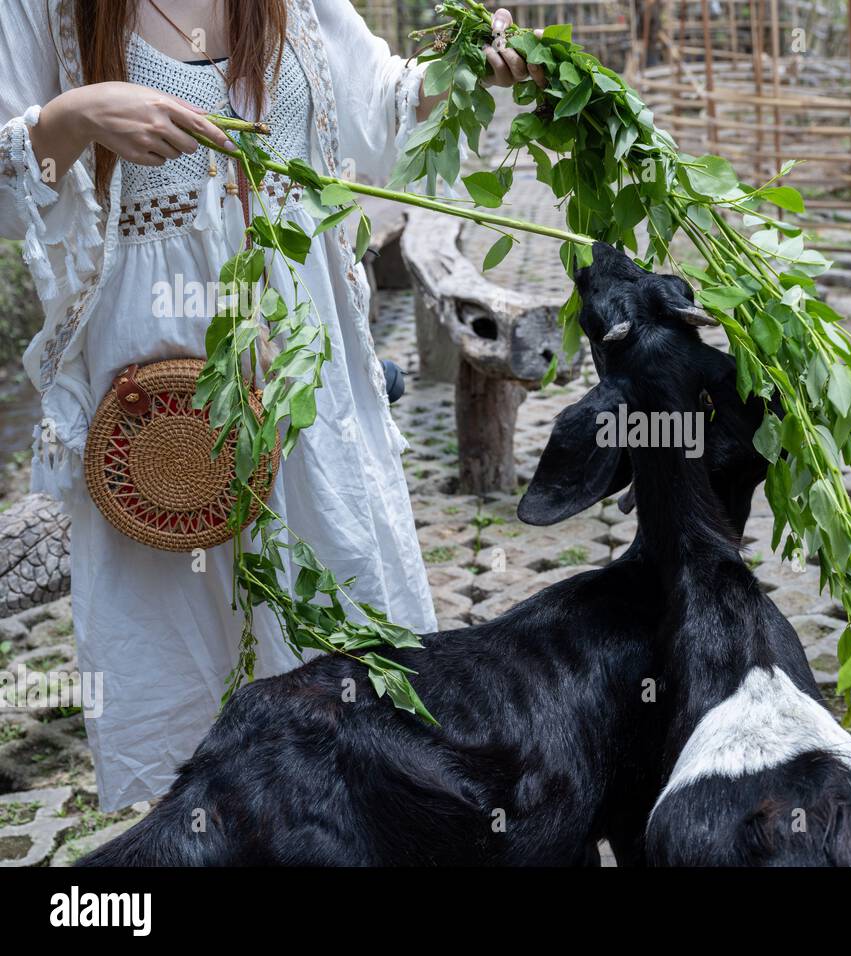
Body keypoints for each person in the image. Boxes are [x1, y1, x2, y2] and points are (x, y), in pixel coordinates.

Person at [0, 0, 539, 811]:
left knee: (348, 647)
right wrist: (73, 118)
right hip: (162, 414)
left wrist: (467, 70)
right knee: (185, 675)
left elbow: (378, 108)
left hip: (308, 376)